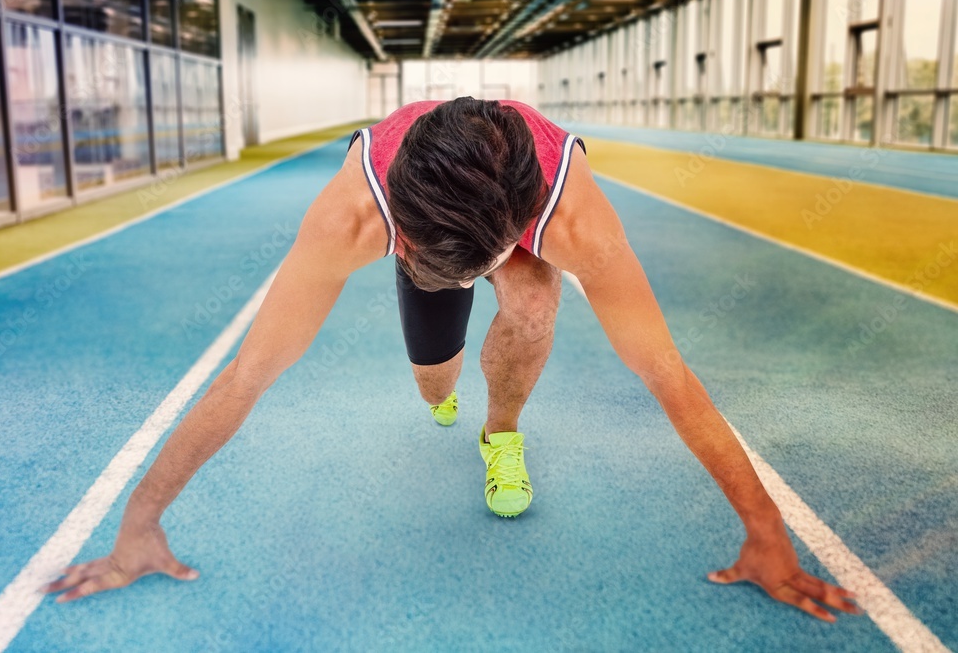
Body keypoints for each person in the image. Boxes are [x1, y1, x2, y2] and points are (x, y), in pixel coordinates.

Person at [43, 97, 862, 622]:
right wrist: (138, 526)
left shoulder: (575, 221)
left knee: (534, 306)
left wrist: (766, 533)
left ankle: (500, 434)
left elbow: (666, 374)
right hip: (429, 223)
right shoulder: (349, 218)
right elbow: (246, 374)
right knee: (434, 380)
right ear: (398, 239)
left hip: (499, 227)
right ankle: (442, 392)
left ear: (519, 232)